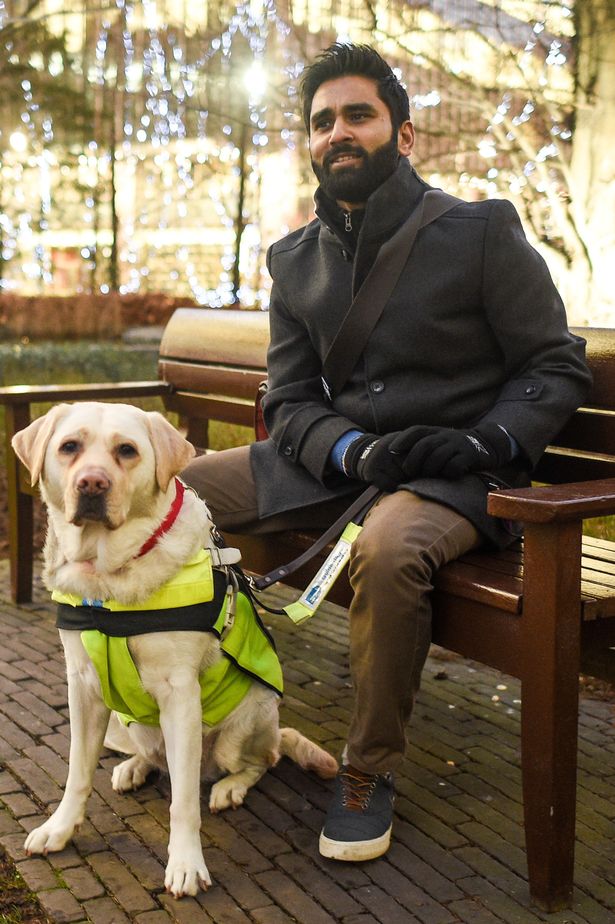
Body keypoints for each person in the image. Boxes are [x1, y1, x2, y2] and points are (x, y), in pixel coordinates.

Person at [182, 43, 592, 863]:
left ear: (402, 135)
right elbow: (288, 401)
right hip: (346, 468)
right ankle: (187, 700)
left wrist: (483, 440)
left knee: (388, 548)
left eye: (358, 115)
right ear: (310, 141)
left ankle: (367, 770)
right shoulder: (292, 258)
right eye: (321, 121)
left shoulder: (481, 230)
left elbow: (554, 365)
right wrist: (352, 453)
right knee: (183, 492)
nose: (338, 131)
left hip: (457, 476)